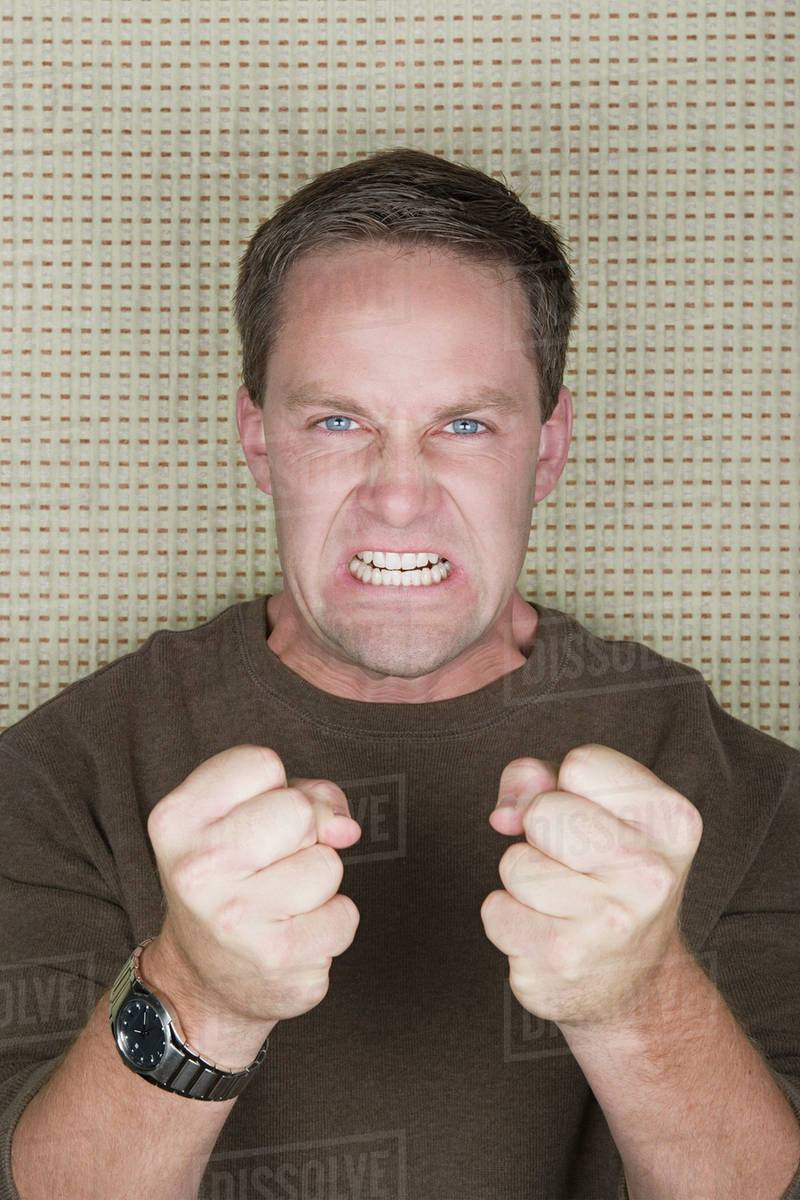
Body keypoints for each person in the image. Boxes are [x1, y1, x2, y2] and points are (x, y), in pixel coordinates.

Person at [2, 147, 799, 1200]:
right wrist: (198, 996)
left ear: (548, 448)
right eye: (338, 423)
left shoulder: (742, 793)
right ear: (257, 441)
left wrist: (638, 1000)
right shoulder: (58, 778)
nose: (396, 496)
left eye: (462, 425)